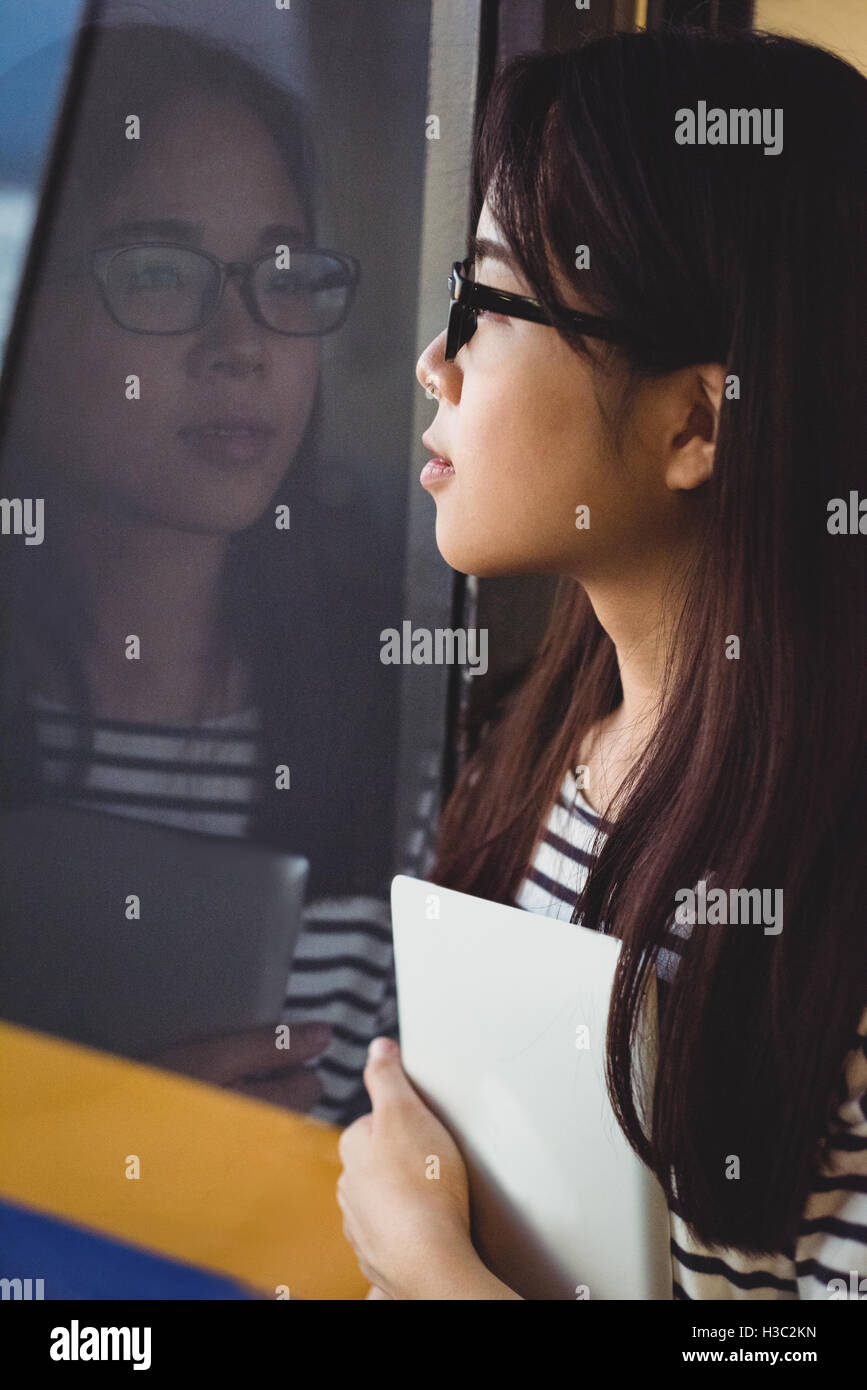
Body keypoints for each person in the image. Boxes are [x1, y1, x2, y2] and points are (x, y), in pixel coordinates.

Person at [336, 27, 867, 1299]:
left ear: (696, 421)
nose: (435, 359)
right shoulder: (533, 757)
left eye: (494, 303)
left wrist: (432, 1270)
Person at [0, 21, 399, 1123]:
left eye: (283, 273)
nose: (244, 340)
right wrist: (80, 1149)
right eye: (159, 272)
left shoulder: (403, 717)